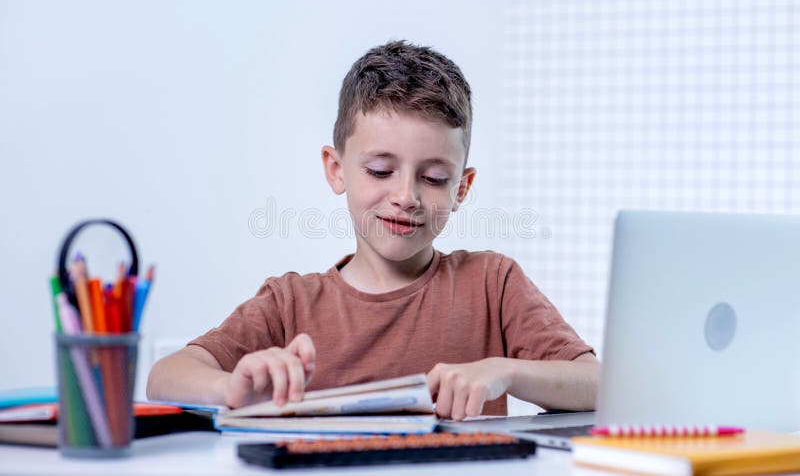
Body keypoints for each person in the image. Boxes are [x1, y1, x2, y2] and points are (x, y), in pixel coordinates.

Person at [147, 40, 599, 420]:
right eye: (381, 170)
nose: (406, 196)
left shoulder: (493, 284)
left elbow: (599, 384)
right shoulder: (290, 303)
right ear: (336, 169)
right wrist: (233, 389)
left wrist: (506, 371)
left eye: (434, 178)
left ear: (462, 188)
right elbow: (165, 377)